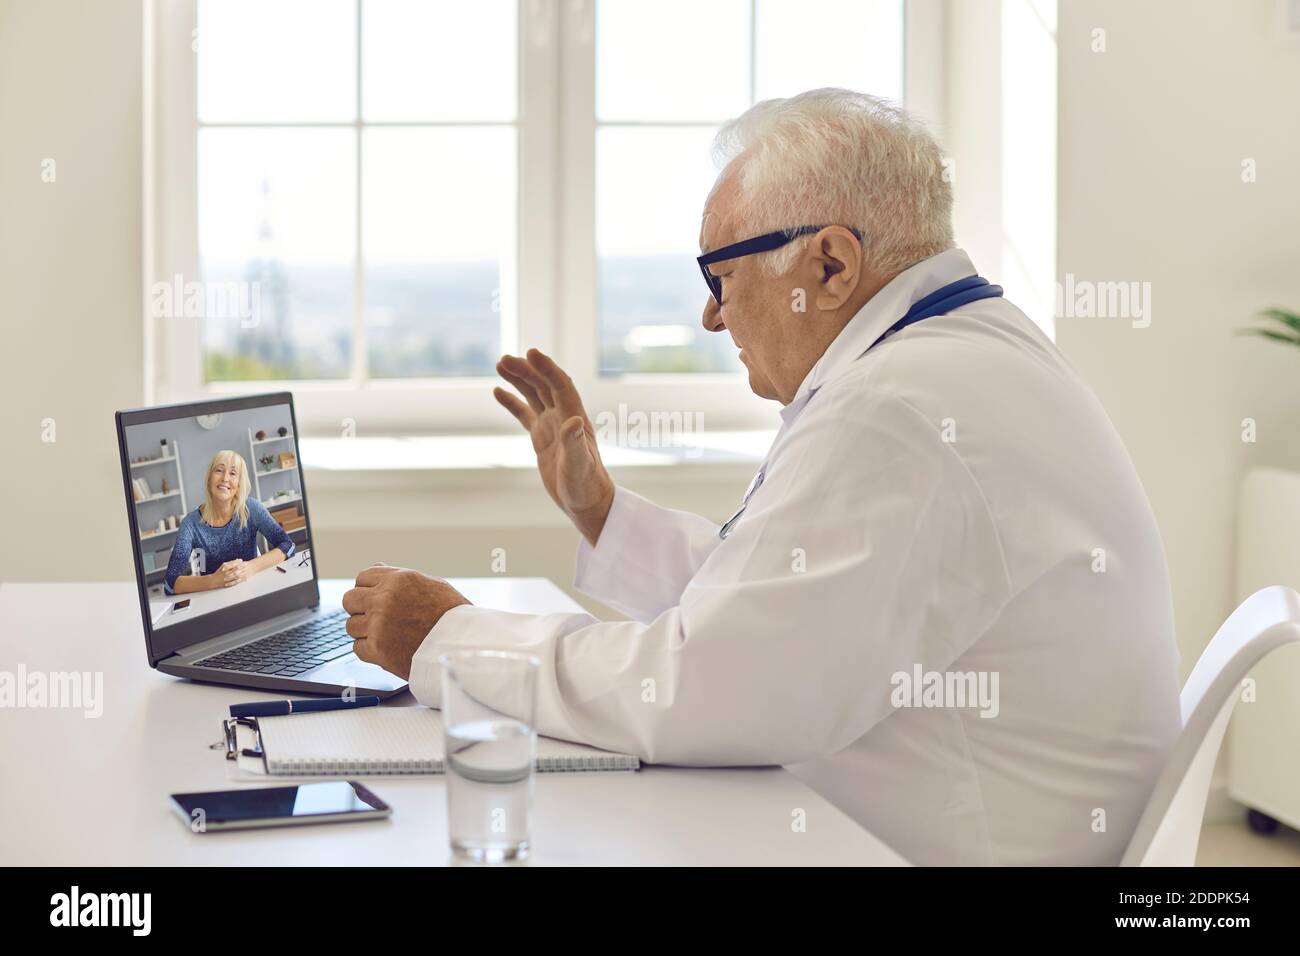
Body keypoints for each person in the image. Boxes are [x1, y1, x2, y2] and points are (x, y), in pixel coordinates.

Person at [342, 89, 1181, 866]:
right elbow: (777, 613)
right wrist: (602, 512)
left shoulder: (896, 410)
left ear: (830, 267)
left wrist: (454, 642)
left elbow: (708, 689)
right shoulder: (957, 357)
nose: (711, 315)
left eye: (721, 276)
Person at [164, 450, 294, 594]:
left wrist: (251, 567)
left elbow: (288, 546)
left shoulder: (251, 508)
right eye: (219, 470)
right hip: (214, 598)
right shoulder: (190, 524)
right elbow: (170, 583)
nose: (225, 478)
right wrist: (214, 580)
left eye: (233, 473)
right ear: (209, 480)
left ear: (239, 484)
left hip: (252, 592)